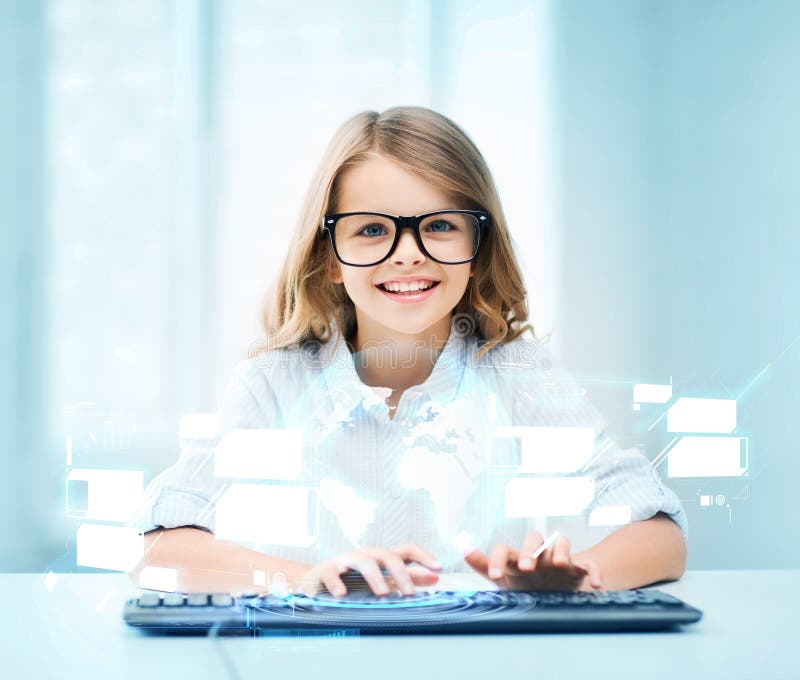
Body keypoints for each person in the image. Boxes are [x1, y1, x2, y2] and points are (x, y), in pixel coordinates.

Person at [129, 106, 686, 597]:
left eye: (439, 225)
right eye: (372, 230)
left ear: (478, 243)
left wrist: (580, 575)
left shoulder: (519, 374)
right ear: (330, 256)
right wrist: (308, 577)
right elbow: (157, 551)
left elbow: (661, 535)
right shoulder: (275, 383)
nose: (407, 255)